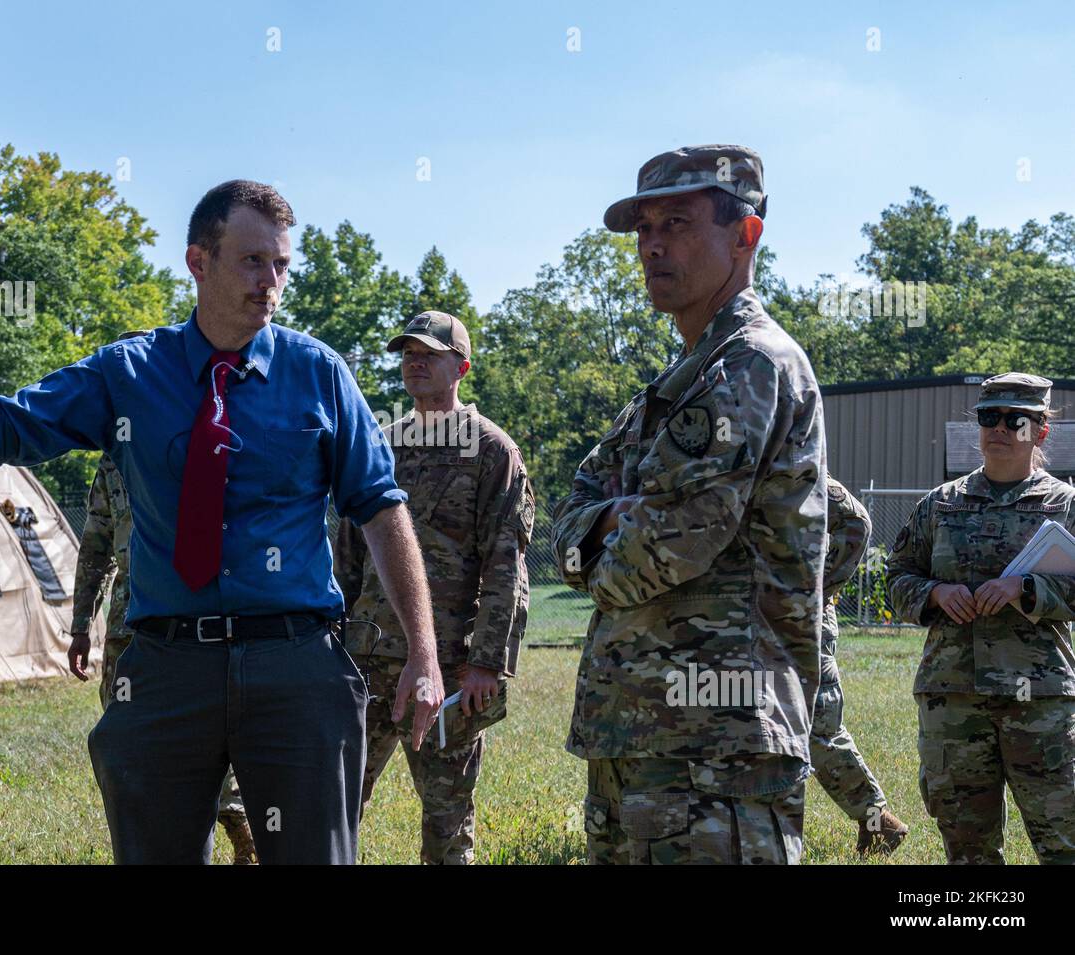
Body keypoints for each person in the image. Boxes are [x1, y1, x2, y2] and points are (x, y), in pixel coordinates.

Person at [0, 179, 445, 865]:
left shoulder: (319, 374)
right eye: (251, 261)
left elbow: (382, 509)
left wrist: (423, 650)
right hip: (167, 669)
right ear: (198, 261)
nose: (270, 282)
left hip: (296, 664)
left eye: (281, 265)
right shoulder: (129, 373)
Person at [551, 144, 827, 864]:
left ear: (746, 234)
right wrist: (612, 519)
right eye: (643, 229)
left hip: (716, 750)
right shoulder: (679, 381)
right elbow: (570, 516)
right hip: (639, 738)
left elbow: (654, 553)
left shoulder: (752, 365)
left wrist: (610, 533)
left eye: (676, 221)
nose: (652, 245)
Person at [334, 311, 534, 864]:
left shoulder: (491, 451)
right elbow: (347, 556)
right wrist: (332, 644)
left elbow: (506, 563)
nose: (415, 362)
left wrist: (487, 664)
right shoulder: (380, 445)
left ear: (461, 367)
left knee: (447, 824)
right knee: (334, 808)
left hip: (447, 668)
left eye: (430, 353)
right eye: (407, 353)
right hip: (367, 658)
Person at [887, 372, 1075, 864]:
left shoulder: (1066, 506)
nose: (999, 428)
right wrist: (935, 593)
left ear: (1040, 430)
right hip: (953, 697)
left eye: (1016, 419)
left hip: (1040, 700)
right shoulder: (941, 504)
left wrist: (1026, 588)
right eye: (988, 417)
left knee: (1063, 840)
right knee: (968, 850)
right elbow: (898, 576)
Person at [71, 419, 256, 865]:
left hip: (191, 617)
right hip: (127, 625)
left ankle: (244, 833)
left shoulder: (200, 442)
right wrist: (81, 622)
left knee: (207, 734)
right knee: (129, 740)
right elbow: (96, 543)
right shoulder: (113, 460)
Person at [814, 475, 908, 855]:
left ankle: (878, 821)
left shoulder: (785, 456)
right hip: (745, 619)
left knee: (814, 728)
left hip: (800, 622)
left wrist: (813, 592)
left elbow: (855, 521)